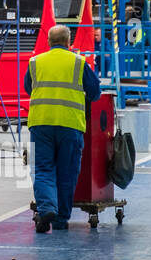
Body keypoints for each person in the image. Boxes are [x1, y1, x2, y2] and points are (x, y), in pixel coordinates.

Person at [24, 24, 101, 233]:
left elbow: (28, 88)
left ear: (48, 42)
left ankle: (47, 207)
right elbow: (95, 93)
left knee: (43, 169)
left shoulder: (35, 62)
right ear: (69, 42)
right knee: (66, 173)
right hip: (70, 124)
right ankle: (59, 219)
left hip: (41, 124)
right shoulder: (79, 63)